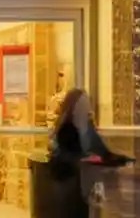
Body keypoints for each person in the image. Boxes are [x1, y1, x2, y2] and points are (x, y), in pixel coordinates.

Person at [47, 89, 128, 218]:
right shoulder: (65, 130)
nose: (87, 108)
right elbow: (64, 158)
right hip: (71, 186)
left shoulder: (87, 127)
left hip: (86, 185)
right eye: (83, 104)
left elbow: (100, 150)